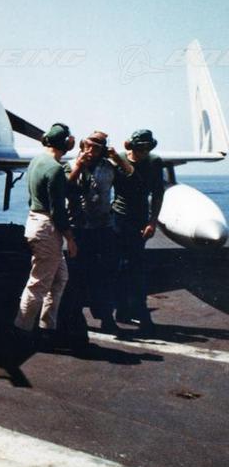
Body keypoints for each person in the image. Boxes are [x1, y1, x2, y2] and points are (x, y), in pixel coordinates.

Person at [64, 131, 133, 335]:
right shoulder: (70, 165)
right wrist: (79, 167)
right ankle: (75, 320)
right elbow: (65, 188)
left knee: (104, 276)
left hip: (103, 228)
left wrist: (116, 157)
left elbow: (130, 174)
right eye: (88, 145)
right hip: (78, 228)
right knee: (75, 277)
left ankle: (106, 318)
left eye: (96, 147)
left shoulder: (109, 167)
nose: (90, 150)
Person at [14, 123, 78, 342]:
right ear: (64, 143)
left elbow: (32, 198)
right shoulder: (55, 168)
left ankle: (47, 326)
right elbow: (58, 210)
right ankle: (22, 331)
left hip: (35, 221)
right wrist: (70, 239)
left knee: (60, 277)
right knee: (38, 284)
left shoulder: (36, 161)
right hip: (48, 227)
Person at [112, 129, 165, 331]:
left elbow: (158, 193)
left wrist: (152, 221)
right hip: (118, 218)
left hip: (139, 220)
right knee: (120, 266)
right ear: (131, 146)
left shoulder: (154, 162)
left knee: (136, 267)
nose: (144, 151)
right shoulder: (117, 160)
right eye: (140, 147)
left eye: (147, 147)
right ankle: (122, 311)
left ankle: (140, 312)